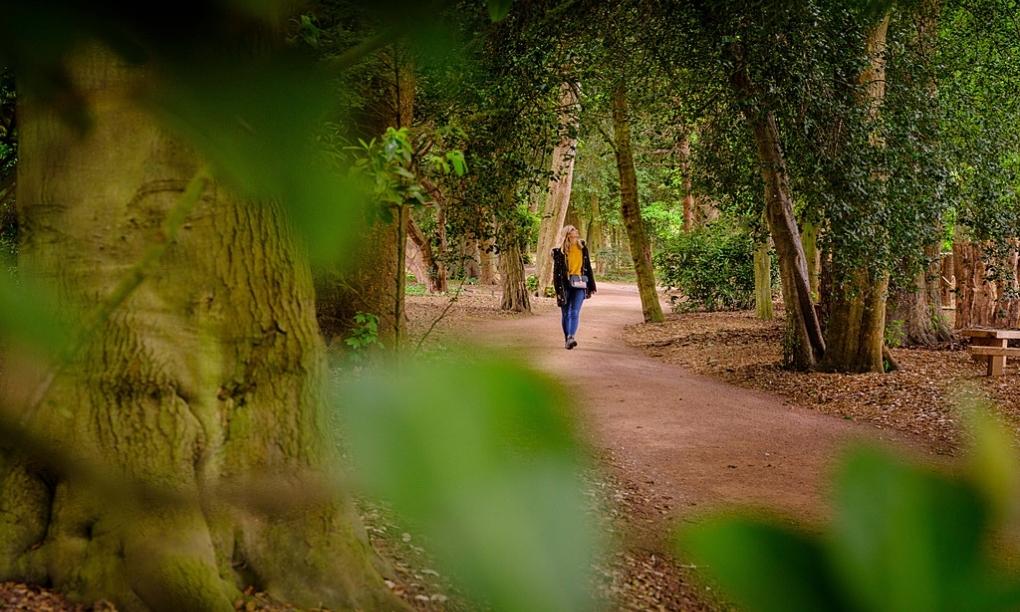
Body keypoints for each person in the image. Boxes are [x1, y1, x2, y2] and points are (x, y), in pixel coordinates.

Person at [552, 224, 596, 349]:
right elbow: (556, 273)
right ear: (567, 235)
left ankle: (571, 336)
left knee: (574, 311)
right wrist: (558, 290)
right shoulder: (559, 252)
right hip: (564, 285)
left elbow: (588, 269)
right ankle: (567, 339)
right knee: (565, 313)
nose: (575, 233)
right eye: (572, 232)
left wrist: (591, 286)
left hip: (580, 283)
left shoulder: (582, 248)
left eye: (576, 231)